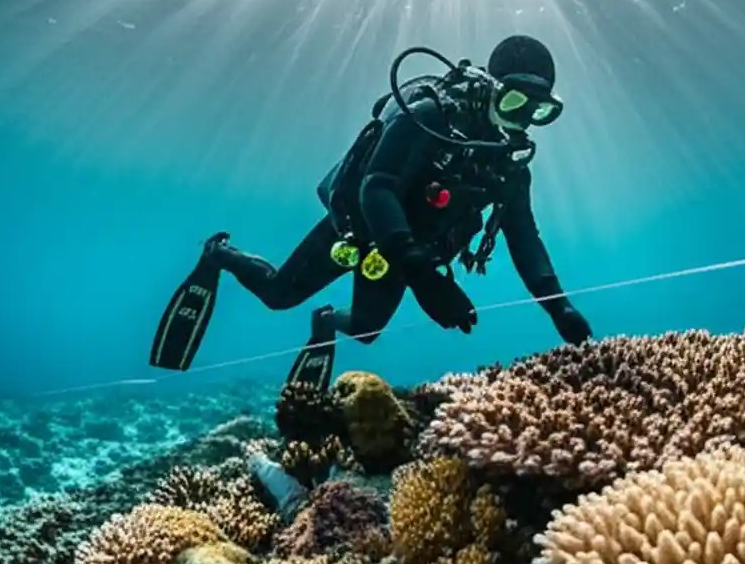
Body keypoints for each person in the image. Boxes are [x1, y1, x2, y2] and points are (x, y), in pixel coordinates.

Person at [150, 35, 592, 389]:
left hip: (404, 256)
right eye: (516, 102)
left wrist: (559, 309)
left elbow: (524, 237)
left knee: (364, 330)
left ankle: (325, 321)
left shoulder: (507, 168)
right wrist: (424, 278)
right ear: (489, 88)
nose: (524, 121)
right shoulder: (429, 116)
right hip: (359, 230)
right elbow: (377, 187)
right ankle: (218, 255)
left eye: (541, 111)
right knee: (278, 296)